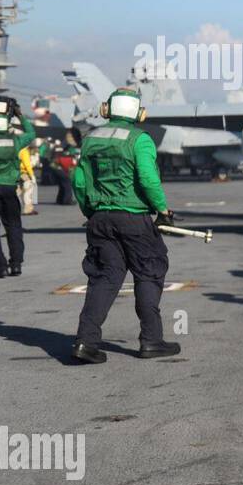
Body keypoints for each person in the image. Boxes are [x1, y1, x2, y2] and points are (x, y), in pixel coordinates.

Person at [71, 87, 179, 364]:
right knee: (148, 272)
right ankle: (151, 341)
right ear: (139, 113)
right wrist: (162, 209)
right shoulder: (140, 139)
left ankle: (85, 341)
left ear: (106, 110)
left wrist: (91, 212)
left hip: (99, 219)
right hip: (134, 219)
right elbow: (147, 179)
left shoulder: (91, 138)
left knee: (104, 278)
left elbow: (80, 182)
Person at [0, 97, 36, 278]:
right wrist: (20, 115)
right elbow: (30, 133)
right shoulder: (15, 141)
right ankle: (16, 264)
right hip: (10, 189)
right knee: (13, 226)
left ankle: (0, 266)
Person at [18, 144, 38, 215]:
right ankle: (28, 209)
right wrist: (32, 175)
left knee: (17, 192)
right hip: (24, 173)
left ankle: (13, 209)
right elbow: (27, 165)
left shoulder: (16, 149)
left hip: (15, 173)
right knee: (28, 191)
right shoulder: (24, 151)